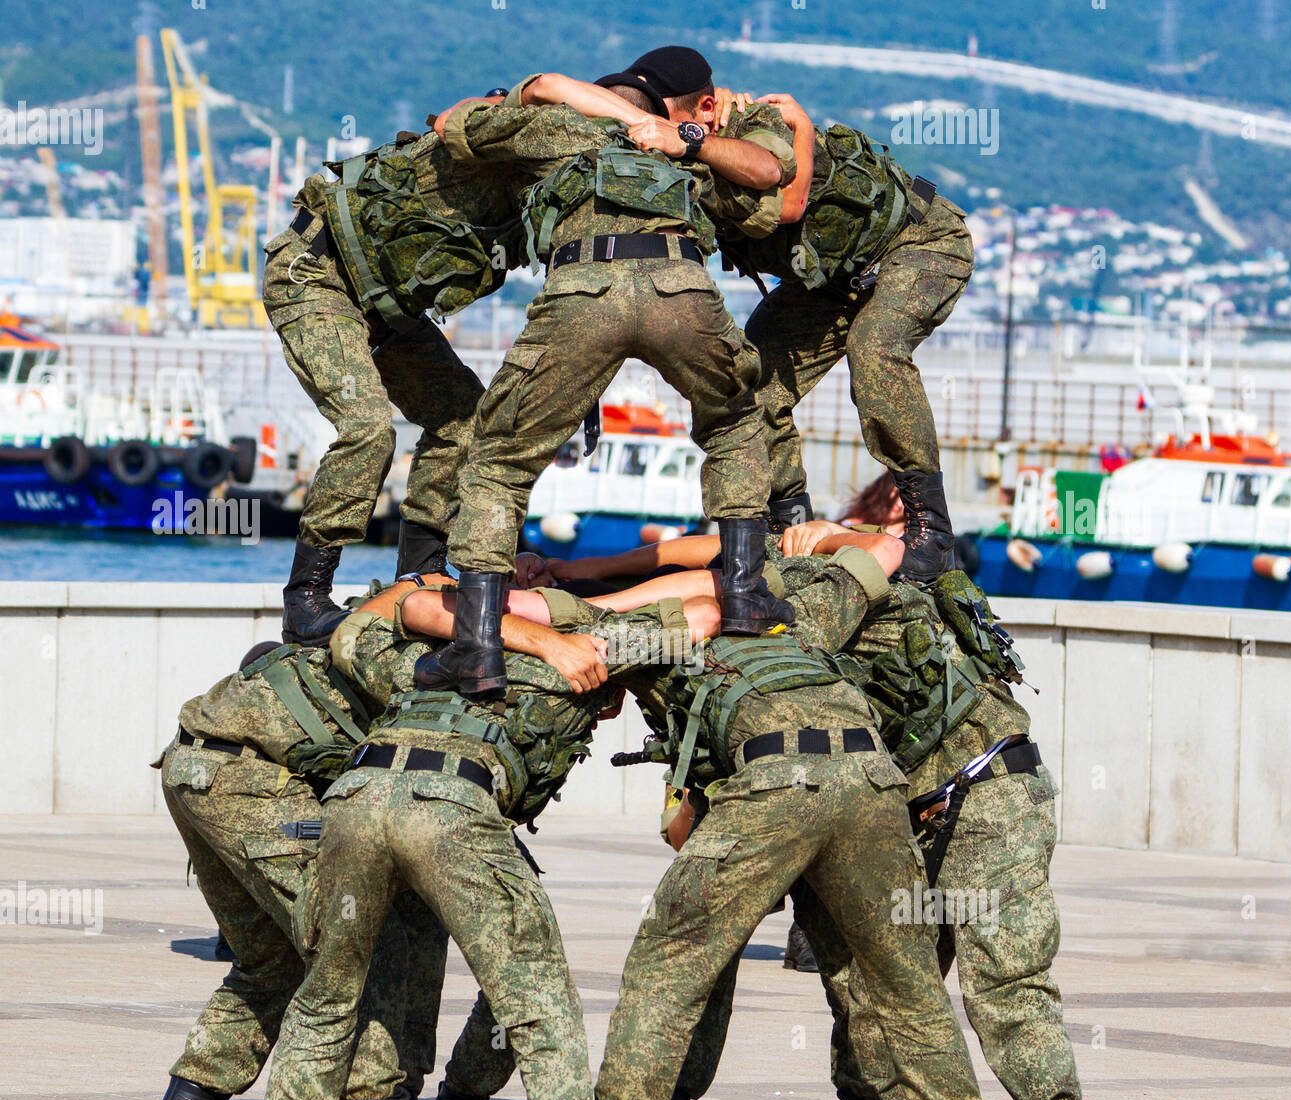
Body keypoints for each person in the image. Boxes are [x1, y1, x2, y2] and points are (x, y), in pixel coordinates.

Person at [233, 583, 709, 1100]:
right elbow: (705, 617)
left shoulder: (430, 654)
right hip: (452, 802)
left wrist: (505, 623)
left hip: (357, 797)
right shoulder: (591, 649)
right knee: (538, 1004)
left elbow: (365, 621)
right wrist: (572, 631)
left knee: (327, 993)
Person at [560, 542, 1003, 1100]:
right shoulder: (803, 613)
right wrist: (804, 543)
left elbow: (534, 630)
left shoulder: (662, 635)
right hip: (870, 778)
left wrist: (571, 597)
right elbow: (885, 550)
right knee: (909, 987)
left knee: (665, 974)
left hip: (773, 780)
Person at [427, 49, 799, 697]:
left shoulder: (548, 128)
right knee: (736, 424)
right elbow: (771, 191)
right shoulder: (684, 149)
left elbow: (451, 126)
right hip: (680, 284)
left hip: (584, 288)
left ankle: (480, 646)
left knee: (499, 460)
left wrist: (506, 100)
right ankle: (744, 596)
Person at [269, 76, 677, 644]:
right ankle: (306, 599)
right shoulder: (502, 132)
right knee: (366, 430)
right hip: (317, 275)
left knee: (462, 419)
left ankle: (419, 575)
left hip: (387, 309)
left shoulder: (548, 190)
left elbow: (574, 282)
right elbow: (505, 101)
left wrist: (585, 386)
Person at [129, 637, 483, 1100]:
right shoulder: (454, 653)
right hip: (253, 781)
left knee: (270, 966)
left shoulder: (385, 620)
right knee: (364, 951)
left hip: (193, 765)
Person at [713, 96, 974, 582]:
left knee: (875, 348)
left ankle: (932, 533)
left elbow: (788, 206)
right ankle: (785, 528)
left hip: (920, 240)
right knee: (749, 376)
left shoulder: (749, 132)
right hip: (833, 280)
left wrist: (804, 126)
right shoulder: (664, 168)